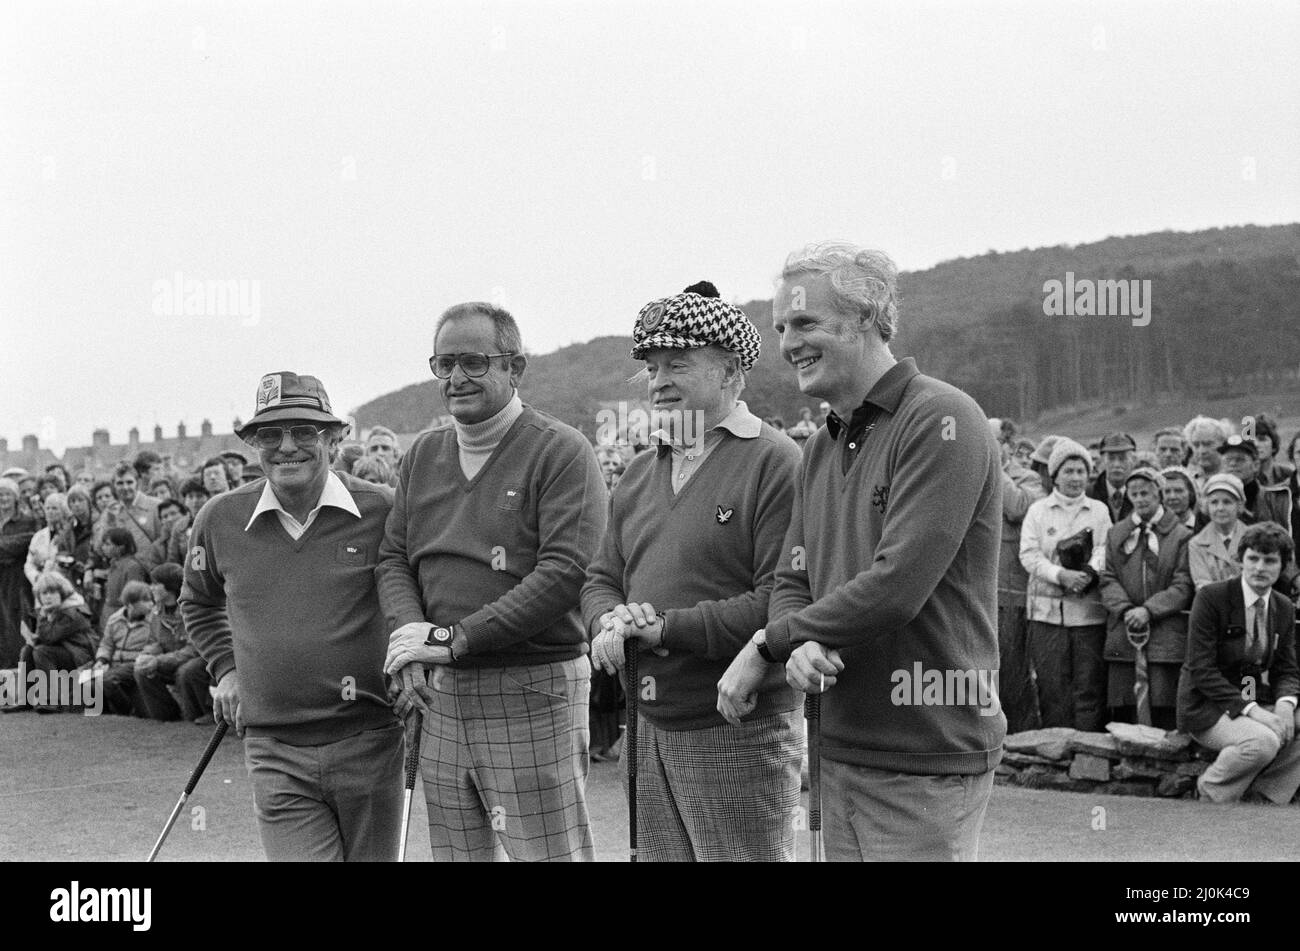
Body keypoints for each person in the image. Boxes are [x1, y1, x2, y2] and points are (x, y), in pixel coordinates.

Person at [716, 241, 1004, 862]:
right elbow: (794, 576)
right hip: (839, 744)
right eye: (783, 327)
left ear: (870, 318)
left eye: (807, 323)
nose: (789, 342)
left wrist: (770, 644)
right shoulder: (821, 446)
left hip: (926, 751)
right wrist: (800, 636)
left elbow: (896, 585)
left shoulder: (942, 419)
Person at [379, 301, 607, 862]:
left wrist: (451, 640)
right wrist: (414, 639)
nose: (456, 378)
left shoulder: (560, 451)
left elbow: (564, 574)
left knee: (549, 855)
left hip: (531, 686)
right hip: (441, 692)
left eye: (475, 362)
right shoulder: (423, 456)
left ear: (515, 367)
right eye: (444, 363)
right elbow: (393, 559)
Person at [584, 282, 803, 861]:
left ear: (731, 371)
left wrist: (660, 628)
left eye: (677, 364)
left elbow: (781, 599)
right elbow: (601, 576)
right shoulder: (636, 473)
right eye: (652, 368)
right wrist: (610, 620)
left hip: (739, 725)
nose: (658, 382)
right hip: (648, 721)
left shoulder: (776, 462)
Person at [181, 371, 402, 862]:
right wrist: (227, 668)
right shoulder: (218, 519)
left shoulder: (383, 510)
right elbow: (197, 602)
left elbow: (414, 596)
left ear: (335, 438)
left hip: (371, 739)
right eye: (269, 435)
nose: (286, 447)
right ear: (254, 444)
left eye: (305, 431)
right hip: (273, 746)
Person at [1177, 522, 1300, 803]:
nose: (1260, 568)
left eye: (1270, 560)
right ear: (1240, 559)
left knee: (1286, 726)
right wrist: (1253, 710)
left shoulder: (1283, 607)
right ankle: (1211, 790)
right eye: (1253, 558)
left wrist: (1284, 704)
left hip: (1251, 694)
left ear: (1283, 565)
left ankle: (1263, 796)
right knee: (1262, 742)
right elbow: (1200, 669)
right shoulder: (1211, 597)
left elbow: (1287, 668)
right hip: (1206, 705)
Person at [1019, 438, 1113, 731]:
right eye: (1068, 471)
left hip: (1088, 614)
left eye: (1081, 471)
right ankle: (1054, 754)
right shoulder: (1038, 511)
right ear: (1055, 475)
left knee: (1088, 684)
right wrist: (1060, 575)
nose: (1075, 478)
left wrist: (1086, 573)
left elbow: (1104, 548)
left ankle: (1087, 752)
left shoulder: (1099, 511)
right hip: (1045, 615)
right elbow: (1029, 554)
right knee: (1052, 685)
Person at [1100, 467, 1194, 729]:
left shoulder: (1181, 535)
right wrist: (1127, 609)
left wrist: (1149, 611)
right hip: (1125, 632)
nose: (1141, 499)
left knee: (1164, 705)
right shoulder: (1117, 533)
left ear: (1159, 494)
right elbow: (1107, 577)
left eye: (1146, 493)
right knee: (1125, 705)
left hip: (1165, 635)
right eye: (1135, 494)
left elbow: (1183, 583)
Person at [994, 423, 1046, 733]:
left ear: (1008, 445)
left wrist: (993, 465)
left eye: (993, 441)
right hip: (978, 588)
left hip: (1012, 589)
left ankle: (1020, 735)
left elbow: (1018, 508)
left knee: (1014, 669)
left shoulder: (1027, 478)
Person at [4, 572, 96, 714]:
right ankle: (25, 699)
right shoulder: (52, 611)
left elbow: (50, 637)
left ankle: (50, 700)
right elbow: (47, 637)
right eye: (44, 593)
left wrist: (43, 616)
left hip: (80, 657)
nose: (47, 597)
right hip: (62, 651)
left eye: (52, 592)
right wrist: (33, 638)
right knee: (27, 650)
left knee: (42, 651)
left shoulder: (73, 612)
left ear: (62, 593)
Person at [135, 563, 211, 723]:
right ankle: (166, 718)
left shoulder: (191, 608)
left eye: (156, 584)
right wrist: (147, 656)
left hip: (199, 660)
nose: (151, 588)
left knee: (187, 671)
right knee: (141, 671)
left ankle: (202, 715)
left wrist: (158, 661)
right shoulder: (157, 612)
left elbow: (194, 650)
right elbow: (154, 641)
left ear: (170, 586)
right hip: (170, 659)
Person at [95, 580, 155, 715]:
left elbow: (153, 646)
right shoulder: (114, 619)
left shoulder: (153, 621)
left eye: (151, 599)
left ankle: (126, 712)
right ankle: (108, 714)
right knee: (89, 683)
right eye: (145, 600)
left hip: (135, 665)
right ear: (130, 604)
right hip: (114, 665)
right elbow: (107, 644)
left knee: (108, 680)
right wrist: (101, 660)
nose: (151, 604)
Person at [0, 477, 39, 669]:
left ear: (15, 498)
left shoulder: (27, 521)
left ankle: (19, 670)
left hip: (17, 579)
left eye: (7, 494)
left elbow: (31, 541)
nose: (3, 498)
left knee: (15, 624)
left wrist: (7, 546)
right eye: (0, 495)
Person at [1189, 473, 1248, 591]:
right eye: (1214, 502)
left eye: (1227, 502)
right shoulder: (1196, 544)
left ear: (1239, 506)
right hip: (1212, 606)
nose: (1220, 508)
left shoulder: (1253, 538)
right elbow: (1202, 585)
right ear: (1206, 506)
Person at [94, 461, 160, 557]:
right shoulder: (110, 512)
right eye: (120, 483)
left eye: (129, 482)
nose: (125, 487)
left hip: (153, 568)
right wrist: (108, 521)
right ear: (114, 486)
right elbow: (100, 549)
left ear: (137, 483)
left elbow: (166, 543)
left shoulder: (156, 506)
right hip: (125, 568)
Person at [98, 527, 148, 632]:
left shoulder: (132, 567)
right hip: (108, 614)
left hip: (121, 617)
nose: (103, 547)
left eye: (108, 544)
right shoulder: (113, 563)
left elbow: (133, 598)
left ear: (121, 547)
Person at [24, 493, 77, 589]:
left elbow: (65, 562)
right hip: (40, 586)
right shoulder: (39, 536)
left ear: (64, 511)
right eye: (47, 508)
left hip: (65, 586)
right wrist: (37, 578)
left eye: (54, 508)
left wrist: (43, 563)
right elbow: (29, 564)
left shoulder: (70, 535)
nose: (50, 512)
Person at [1088, 432, 1136, 522]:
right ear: (1102, 460)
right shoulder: (1088, 495)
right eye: (1111, 458)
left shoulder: (1142, 494)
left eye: (1122, 458)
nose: (1116, 464)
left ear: (1133, 460)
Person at [1184, 415, 1231, 498]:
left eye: (1208, 444)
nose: (1201, 451)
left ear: (1223, 444)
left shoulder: (1233, 477)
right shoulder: (1187, 480)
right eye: (1196, 445)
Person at [1251, 413, 1293, 487]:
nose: (1256, 444)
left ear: (1273, 446)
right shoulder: (1245, 478)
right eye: (1251, 441)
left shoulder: (1288, 475)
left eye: (1262, 439)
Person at [1161, 467, 1205, 533]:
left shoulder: (1203, 528)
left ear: (1191, 494)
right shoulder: (1150, 531)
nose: (1172, 497)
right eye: (1167, 492)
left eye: (1178, 491)